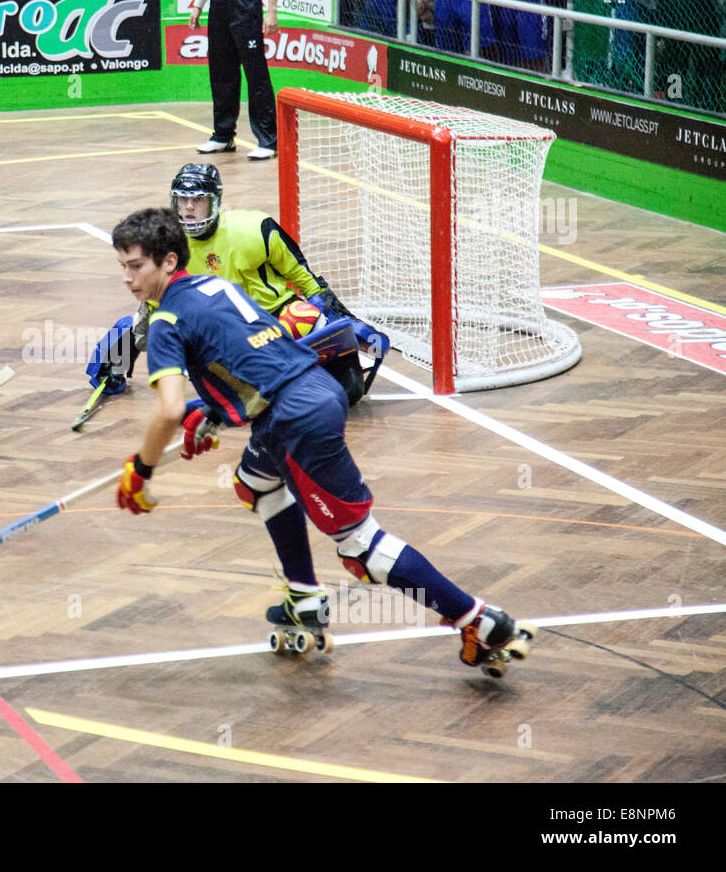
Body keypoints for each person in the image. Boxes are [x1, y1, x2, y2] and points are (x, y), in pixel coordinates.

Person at [110, 207, 531, 672]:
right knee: (255, 482)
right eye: (123, 267)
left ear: (169, 261)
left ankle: (477, 619)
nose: (128, 279)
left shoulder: (166, 321)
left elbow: (166, 409)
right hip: (310, 391)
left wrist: (141, 470)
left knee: (360, 549)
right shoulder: (217, 288)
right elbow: (253, 359)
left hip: (294, 419)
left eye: (136, 266)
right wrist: (211, 410)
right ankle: (304, 598)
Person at [165, 162, 377, 401]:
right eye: (182, 200)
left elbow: (300, 274)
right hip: (228, 330)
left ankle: (327, 374)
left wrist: (332, 310)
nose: (189, 206)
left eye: (199, 200)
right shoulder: (170, 247)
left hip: (276, 315)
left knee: (303, 316)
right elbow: (161, 304)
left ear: (214, 202)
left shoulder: (253, 229)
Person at [190, 0, 280, 160]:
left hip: (245, 3)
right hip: (218, 3)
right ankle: (223, 135)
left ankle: (268, 140)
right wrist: (199, 3)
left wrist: (271, 11)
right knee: (220, 72)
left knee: (255, 73)